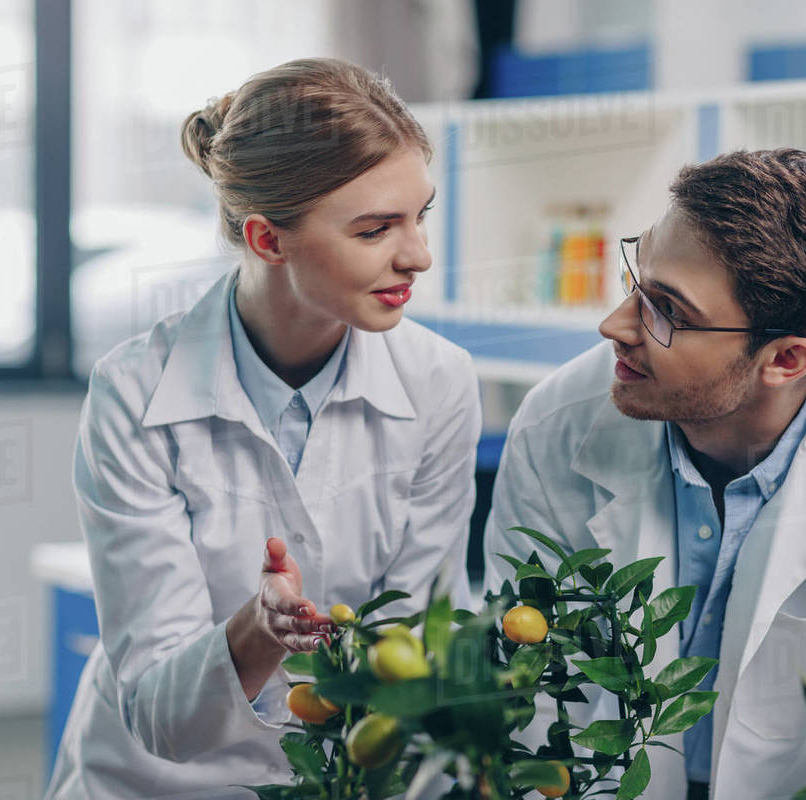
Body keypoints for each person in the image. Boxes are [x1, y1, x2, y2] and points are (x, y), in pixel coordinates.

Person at [483, 149, 806, 800]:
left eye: (668, 311)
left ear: (786, 359)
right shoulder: (559, 423)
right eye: (638, 280)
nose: (614, 326)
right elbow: (531, 702)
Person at [46, 58, 481, 799]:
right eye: (375, 229)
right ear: (267, 239)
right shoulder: (133, 395)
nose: (418, 256)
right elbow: (161, 715)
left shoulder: (438, 381)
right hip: (154, 784)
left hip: (340, 779)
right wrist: (259, 630)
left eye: (420, 215)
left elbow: (414, 636)